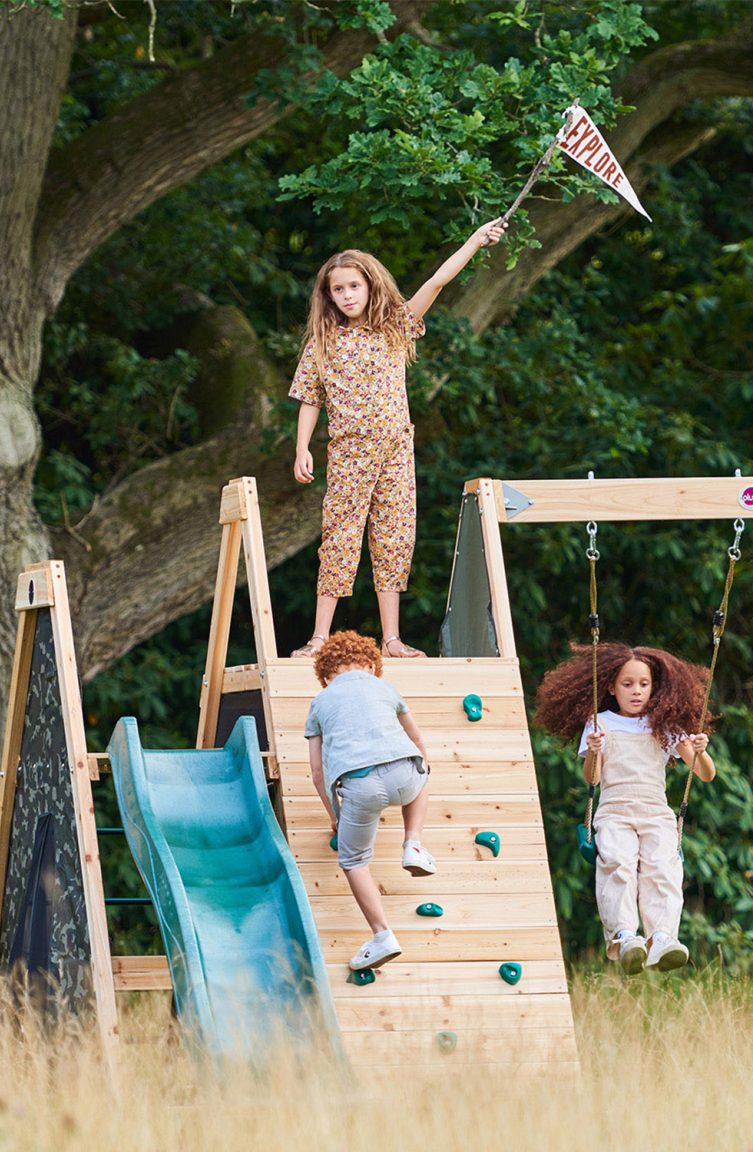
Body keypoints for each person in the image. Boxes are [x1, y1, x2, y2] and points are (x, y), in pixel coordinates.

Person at [288, 219, 507, 659]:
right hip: (350, 450)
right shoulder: (324, 342)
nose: (347, 295)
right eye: (338, 289)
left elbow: (438, 281)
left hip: (395, 448)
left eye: (354, 286)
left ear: (370, 287)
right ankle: (318, 637)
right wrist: (302, 448)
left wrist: (475, 240)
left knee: (395, 535)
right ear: (328, 296)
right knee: (340, 537)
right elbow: (309, 398)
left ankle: (391, 639)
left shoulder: (394, 326)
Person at [535, 642, 716, 973]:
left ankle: (662, 938)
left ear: (653, 687)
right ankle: (623, 935)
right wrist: (593, 752)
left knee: (662, 867)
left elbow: (704, 774)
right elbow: (592, 779)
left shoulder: (666, 725)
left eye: (644, 684)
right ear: (611, 688)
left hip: (656, 812)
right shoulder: (599, 723)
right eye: (627, 684)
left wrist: (701, 750)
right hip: (615, 811)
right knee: (617, 864)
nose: (636, 692)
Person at [304, 631, 436, 971]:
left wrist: (335, 813)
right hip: (405, 776)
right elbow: (418, 742)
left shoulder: (320, 701)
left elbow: (317, 774)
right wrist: (422, 767)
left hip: (360, 786)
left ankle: (382, 936)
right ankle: (414, 843)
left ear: (327, 675)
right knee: (421, 771)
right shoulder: (384, 687)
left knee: (354, 861)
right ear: (369, 664)